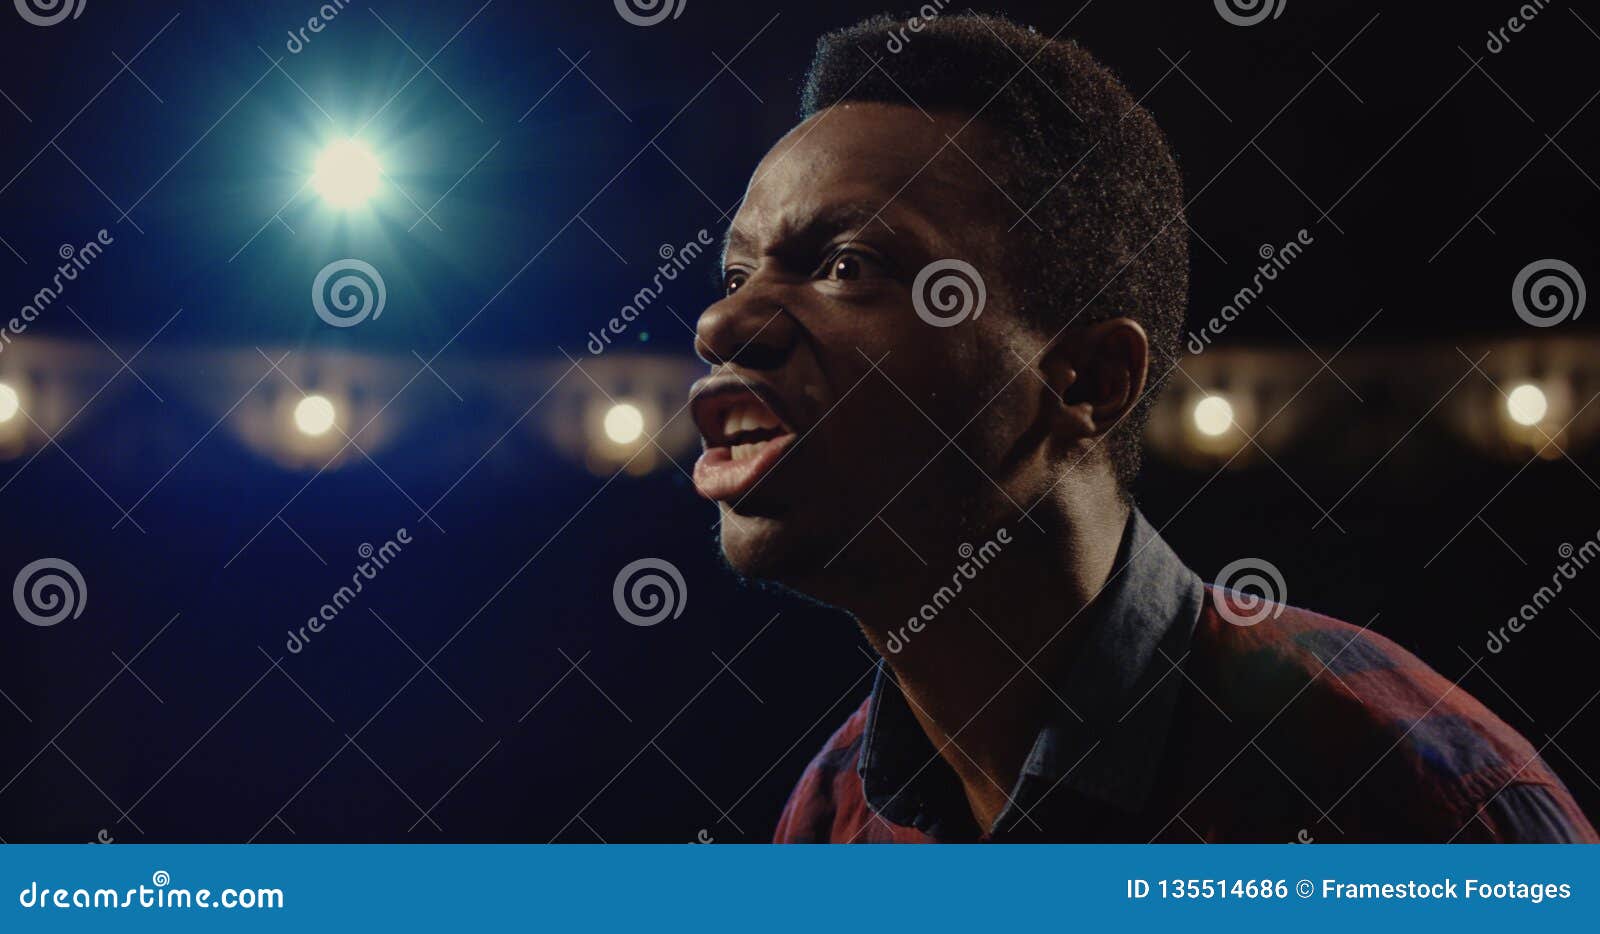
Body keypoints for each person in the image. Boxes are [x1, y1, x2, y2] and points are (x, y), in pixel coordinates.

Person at [687, 12, 1597, 843]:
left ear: (1090, 379)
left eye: (849, 264)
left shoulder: (1420, 805)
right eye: (735, 277)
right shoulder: (829, 818)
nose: (721, 327)